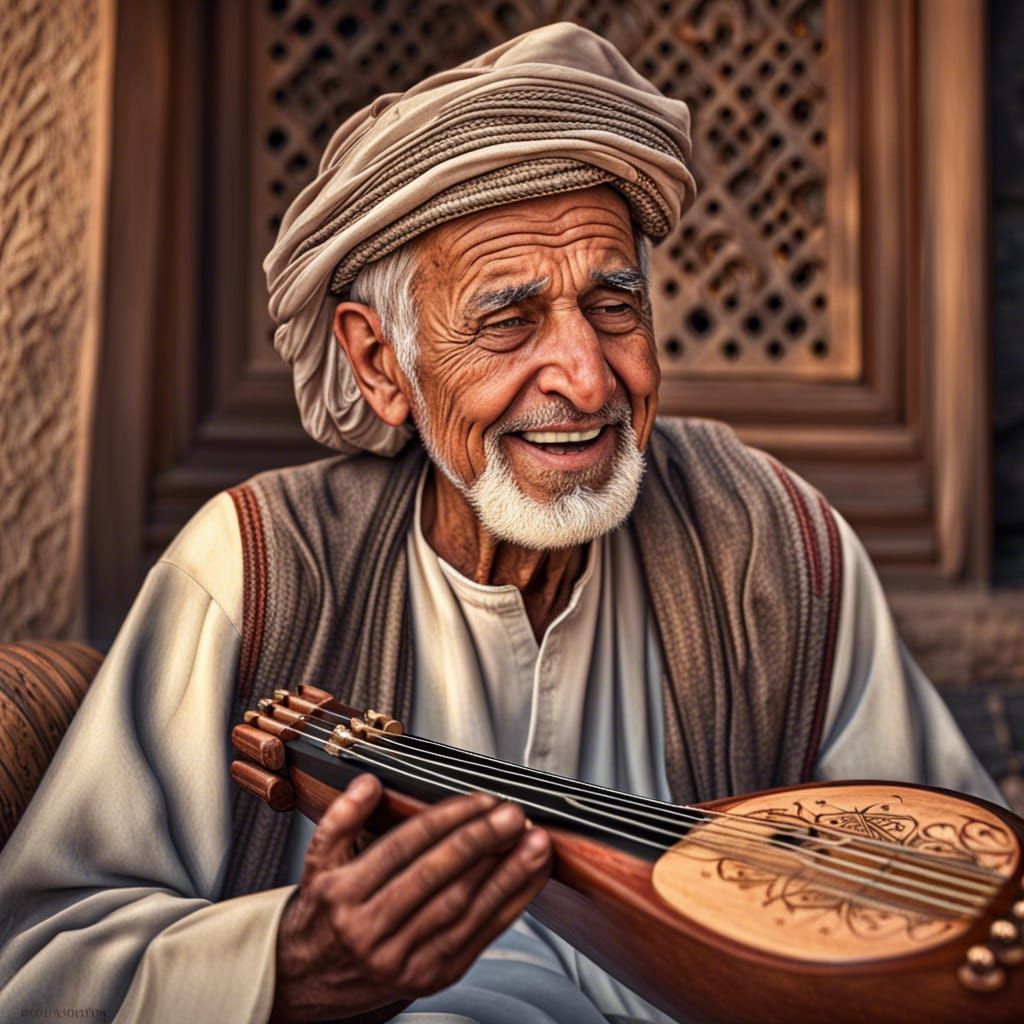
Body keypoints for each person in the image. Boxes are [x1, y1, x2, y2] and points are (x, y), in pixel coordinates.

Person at [0, 22, 1001, 1024]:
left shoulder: (769, 538)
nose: (587, 376)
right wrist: (293, 964)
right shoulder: (258, 569)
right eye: (508, 320)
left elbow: (965, 906)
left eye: (614, 307)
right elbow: (40, 964)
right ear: (380, 365)